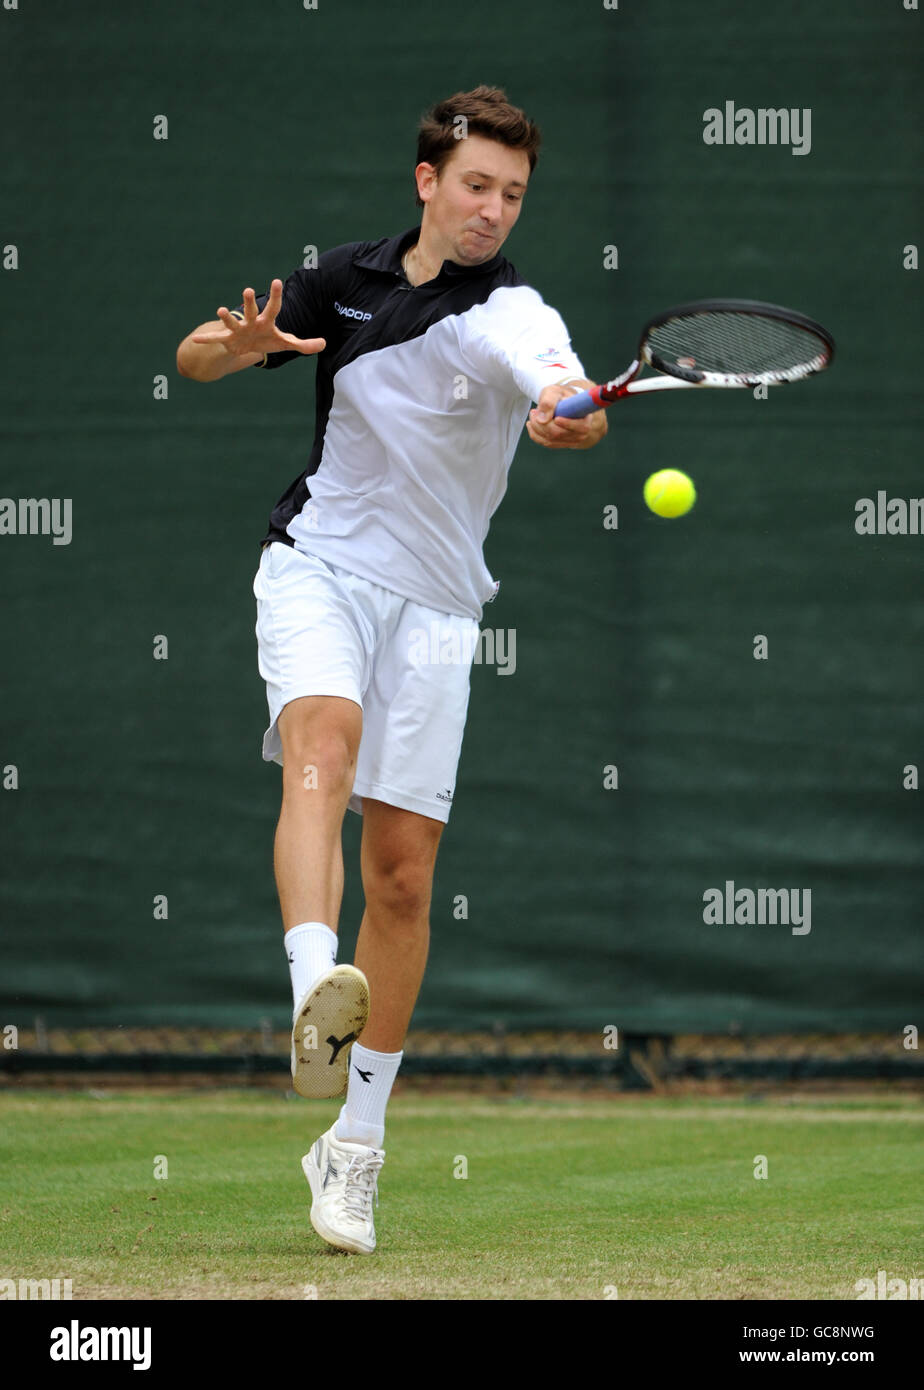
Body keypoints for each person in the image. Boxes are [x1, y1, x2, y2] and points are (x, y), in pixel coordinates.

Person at [175, 85, 607, 1255]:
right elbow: (195, 355)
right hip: (318, 561)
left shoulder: (512, 312)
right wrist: (238, 344)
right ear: (429, 180)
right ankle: (317, 979)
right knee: (321, 746)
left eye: (513, 194)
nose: (492, 210)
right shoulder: (342, 280)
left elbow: (562, 392)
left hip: (438, 609)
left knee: (405, 878)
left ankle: (352, 1148)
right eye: (476, 185)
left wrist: (571, 414)